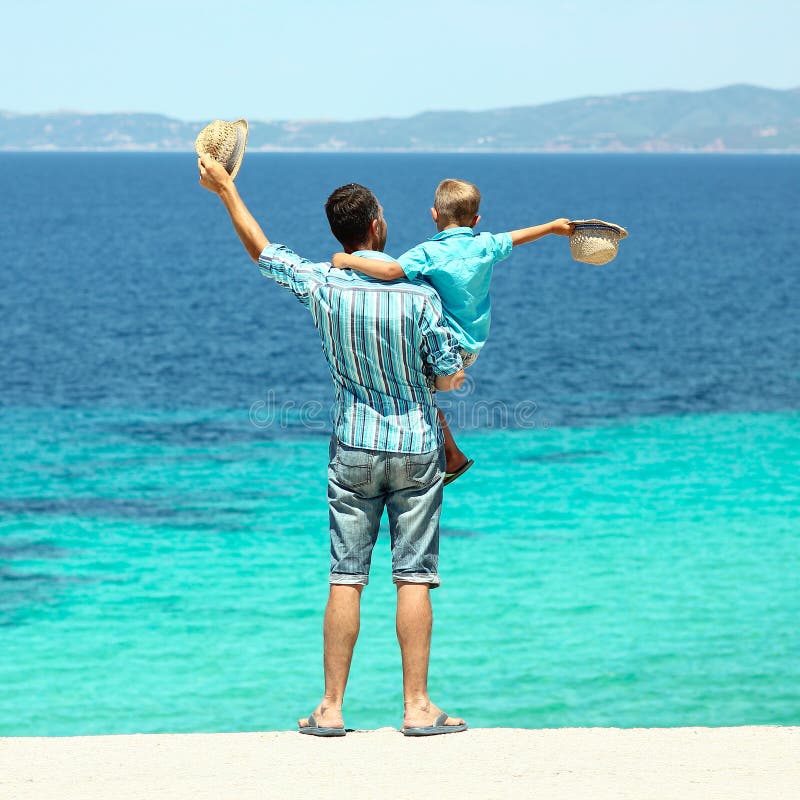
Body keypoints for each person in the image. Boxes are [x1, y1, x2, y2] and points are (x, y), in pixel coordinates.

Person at [197, 154, 469, 737]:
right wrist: (449, 368)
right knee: (413, 576)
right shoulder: (419, 297)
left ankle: (330, 707)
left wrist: (225, 189)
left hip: (353, 446)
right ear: (376, 226)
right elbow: (449, 379)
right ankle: (417, 707)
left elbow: (263, 250)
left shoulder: (322, 284)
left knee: (346, 576)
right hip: (417, 447)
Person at [333, 178, 573, 481]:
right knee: (423, 397)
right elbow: (516, 237)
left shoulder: (428, 253)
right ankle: (454, 456)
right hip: (471, 347)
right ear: (476, 220)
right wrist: (552, 227)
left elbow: (390, 271)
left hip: (447, 347)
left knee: (413, 396)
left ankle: (445, 456)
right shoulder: (485, 244)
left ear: (434, 214)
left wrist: (347, 260)